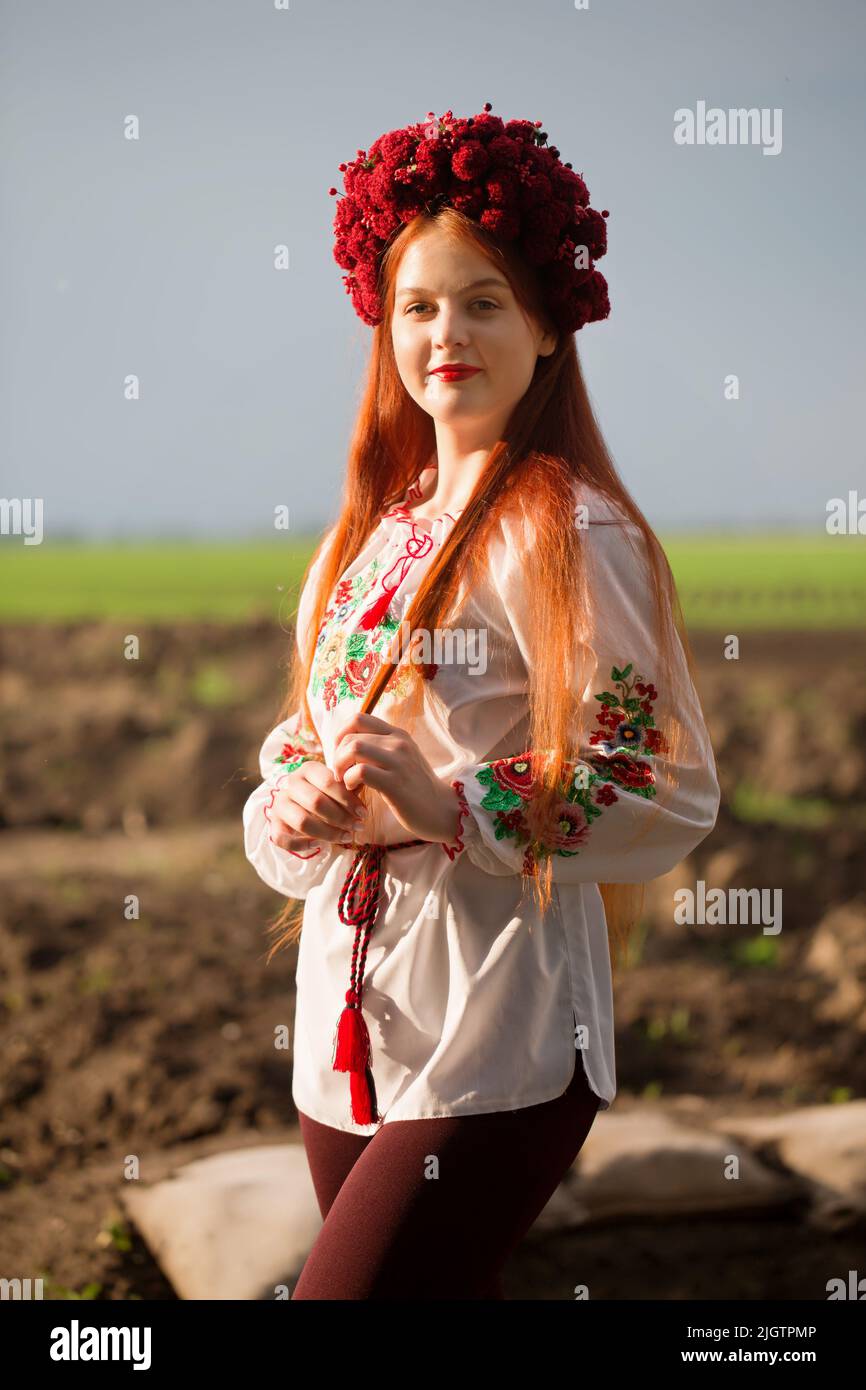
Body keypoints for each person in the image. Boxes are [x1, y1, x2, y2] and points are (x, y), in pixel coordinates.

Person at [242, 104, 721, 1299]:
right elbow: (296, 755)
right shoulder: (367, 540)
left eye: (482, 300)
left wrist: (451, 803)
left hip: (499, 1033)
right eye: (417, 305)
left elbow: (659, 785)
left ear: (551, 322)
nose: (444, 332)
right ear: (381, 325)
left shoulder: (576, 534)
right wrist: (293, 806)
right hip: (351, 1030)